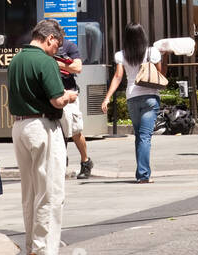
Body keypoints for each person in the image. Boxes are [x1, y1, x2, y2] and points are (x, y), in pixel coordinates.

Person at [9, 18, 76, 255]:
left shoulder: (17, 59)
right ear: (49, 39)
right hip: (43, 126)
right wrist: (69, 95)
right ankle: (45, 250)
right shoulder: (45, 61)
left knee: (30, 191)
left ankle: (31, 249)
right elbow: (57, 100)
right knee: (50, 190)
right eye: (56, 45)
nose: (57, 49)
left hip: (19, 126)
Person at [103, 23, 166, 183]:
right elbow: (160, 74)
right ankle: (143, 175)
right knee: (145, 137)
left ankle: (141, 173)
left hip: (132, 98)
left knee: (140, 136)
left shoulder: (121, 55)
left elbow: (118, 77)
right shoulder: (153, 52)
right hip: (150, 97)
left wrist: (107, 97)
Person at [55, 40, 93, 179]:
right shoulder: (43, 48)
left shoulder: (68, 46)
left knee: (75, 131)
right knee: (57, 131)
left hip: (70, 93)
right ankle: (60, 162)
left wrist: (56, 63)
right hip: (51, 94)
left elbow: (77, 67)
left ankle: (85, 161)